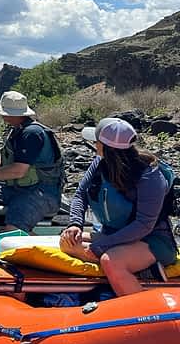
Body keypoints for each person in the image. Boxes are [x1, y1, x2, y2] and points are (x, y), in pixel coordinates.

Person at [59, 117, 176, 296]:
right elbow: (80, 194)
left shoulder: (150, 176)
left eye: (97, 141)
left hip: (153, 240)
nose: (94, 144)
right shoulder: (99, 163)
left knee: (111, 260)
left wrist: (102, 245)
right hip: (114, 234)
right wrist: (75, 224)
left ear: (106, 147)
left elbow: (144, 225)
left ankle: (143, 311)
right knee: (67, 242)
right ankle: (130, 275)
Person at [0, 91, 64, 244]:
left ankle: (55, 244)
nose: (2, 116)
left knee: (12, 233)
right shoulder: (18, 129)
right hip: (19, 189)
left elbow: (18, 170)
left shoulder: (32, 133)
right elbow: (6, 159)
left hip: (42, 192)